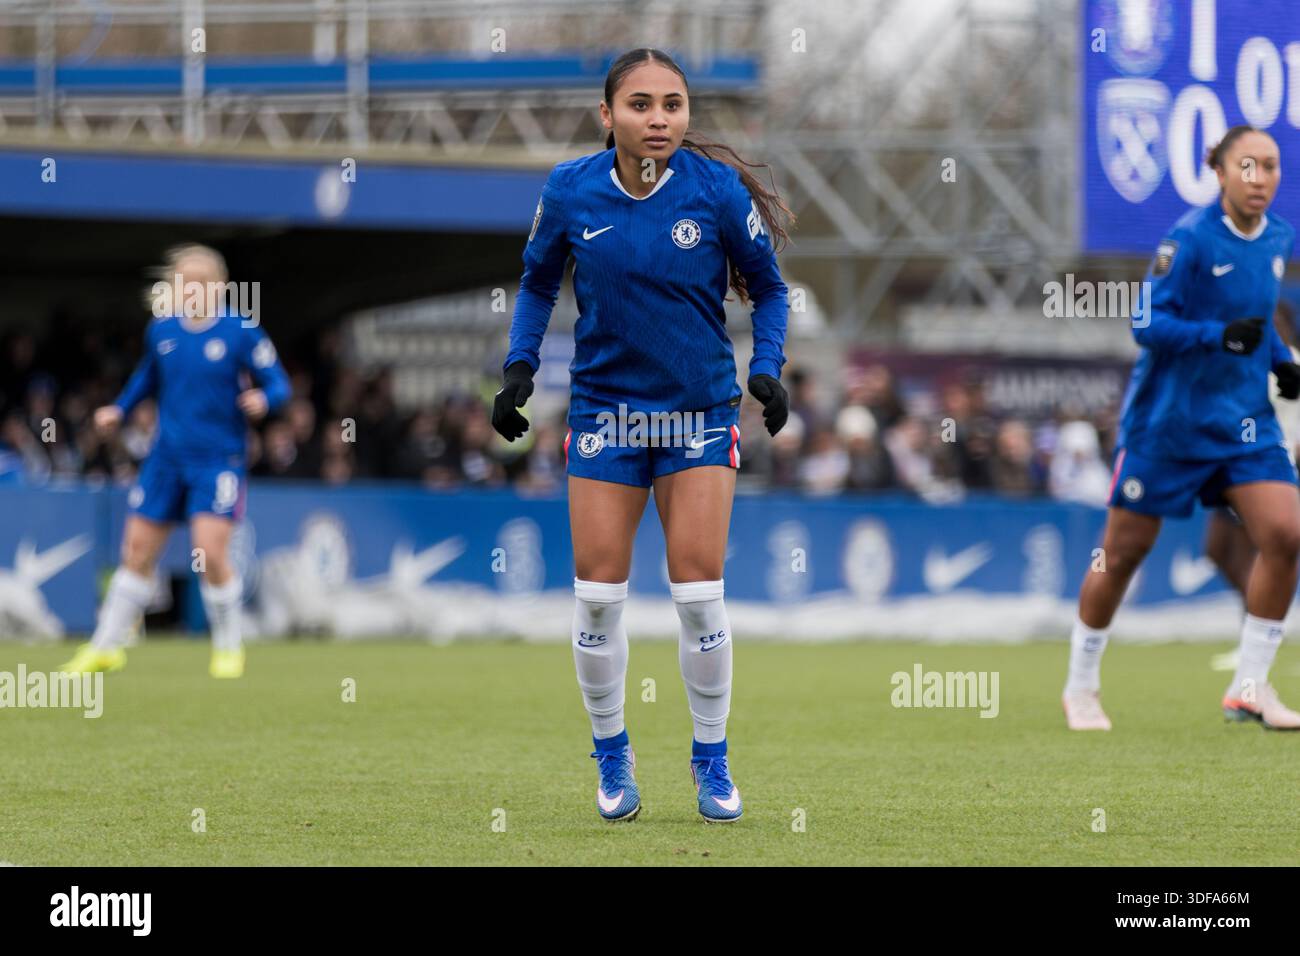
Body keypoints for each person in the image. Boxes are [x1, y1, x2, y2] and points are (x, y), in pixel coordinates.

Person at [492, 48, 793, 822]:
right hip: (605, 417)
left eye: (672, 104)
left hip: (698, 416)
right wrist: (519, 369)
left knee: (698, 597)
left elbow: (768, 287)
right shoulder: (569, 190)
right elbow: (534, 282)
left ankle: (712, 760)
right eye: (640, 105)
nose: (658, 119)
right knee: (596, 601)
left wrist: (768, 368)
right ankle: (612, 753)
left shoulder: (717, 191)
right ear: (608, 116)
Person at [1062, 126, 1300, 731]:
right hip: (1168, 425)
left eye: (1269, 166)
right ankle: (1081, 685)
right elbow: (1145, 323)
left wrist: (1280, 362)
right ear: (1218, 171)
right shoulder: (1188, 239)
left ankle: (1250, 686)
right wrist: (1212, 338)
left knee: (1286, 534)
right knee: (1121, 554)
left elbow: (1254, 321)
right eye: (1246, 165)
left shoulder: (1278, 237)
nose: (1259, 178)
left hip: (1244, 423)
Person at [62, 244, 290, 678]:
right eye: (183, 282)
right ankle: (106, 646)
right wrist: (120, 409)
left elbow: (280, 384)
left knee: (207, 551)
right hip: (165, 460)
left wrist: (264, 398)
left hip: (217, 461)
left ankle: (228, 645)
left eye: (199, 282)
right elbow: (147, 377)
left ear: (220, 287)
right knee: (135, 551)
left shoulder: (241, 331)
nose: (190, 290)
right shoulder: (162, 331)